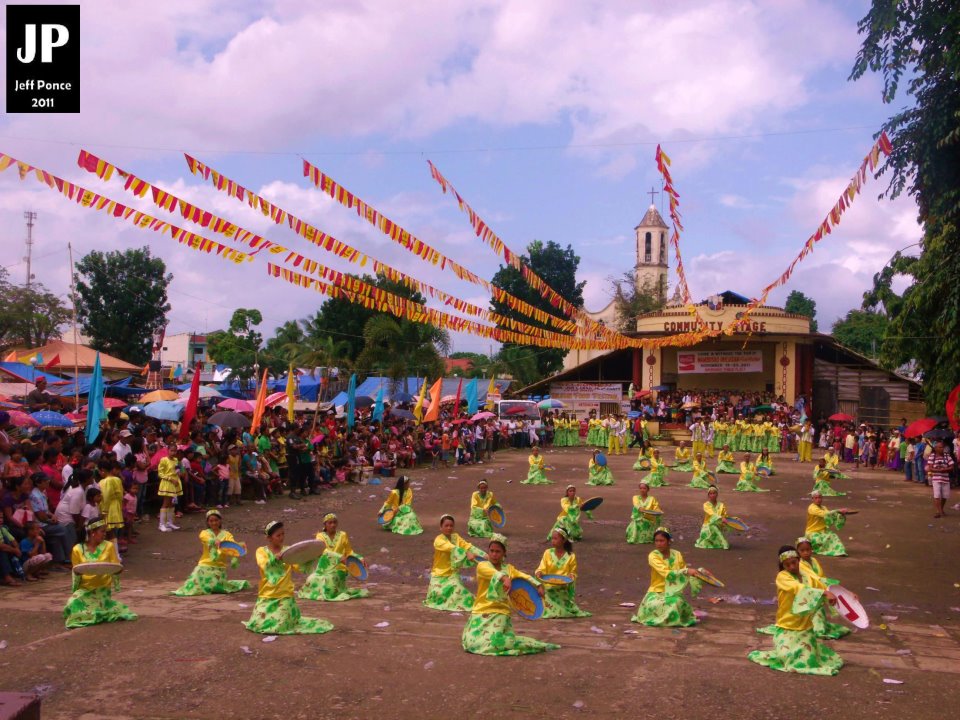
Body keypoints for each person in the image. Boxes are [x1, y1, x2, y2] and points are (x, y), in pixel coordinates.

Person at [747, 546, 843, 675]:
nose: (792, 567)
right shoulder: (782, 577)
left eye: (794, 562)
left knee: (808, 660)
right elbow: (798, 588)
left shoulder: (806, 575)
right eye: (787, 565)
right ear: (783, 566)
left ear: (799, 560)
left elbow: (823, 585)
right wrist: (824, 593)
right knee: (789, 659)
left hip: (805, 626)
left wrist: (845, 595)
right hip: (787, 624)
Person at [461, 533, 559, 656]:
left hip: (501, 612)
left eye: (498, 551)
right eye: (491, 551)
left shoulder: (509, 569)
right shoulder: (483, 566)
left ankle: (532, 645)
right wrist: (504, 578)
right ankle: (516, 643)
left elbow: (524, 576)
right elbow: (493, 573)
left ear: (504, 554)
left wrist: (538, 585)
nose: (494, 554)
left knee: (495, 642)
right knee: (471, 644)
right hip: (481, 611)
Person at [243, 521, 333, 635]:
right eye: (278, 535)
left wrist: (313, 557)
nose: (282, 537)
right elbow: (263, 564)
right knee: (258, 624)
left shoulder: (288, 551)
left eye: (283, 534)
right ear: (269, 538)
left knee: (280, 626)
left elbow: (298, 566)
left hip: (285, 595)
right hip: (267, 594)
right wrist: (275, 559)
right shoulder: (261, 551)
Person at [63, 518, 138, 629]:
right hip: (85, 589)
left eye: (105, 531)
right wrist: (78, 574)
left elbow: (116, 567)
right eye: (102, 531)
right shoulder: (77, 549)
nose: (105, 534)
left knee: (91, 611)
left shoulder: (109, 546)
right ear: (92, 532)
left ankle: (101, 609)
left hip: (102, 589)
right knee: (72, 603)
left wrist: (118, 570)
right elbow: (76, 571)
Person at [172, 509, 250, 596]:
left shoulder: (227, 534)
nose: (214, 523)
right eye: (211, 521)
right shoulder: (204, 533)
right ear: (208, 522)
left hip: (220, 566)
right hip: (205, 563)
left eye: (216, 520)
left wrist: (235, 555)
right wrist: (213, 541)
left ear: (220, 521)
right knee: (196, 577)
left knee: (214, 587)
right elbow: (205, 538)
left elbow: (232, 545)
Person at [631, 528, 699, 627]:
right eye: (656, 541)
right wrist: (686, 571)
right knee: (669, 604)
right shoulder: (653, 556)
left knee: (677, 602)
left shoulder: (677, 554)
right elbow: (666, 573)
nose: (658, 544)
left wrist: (697, 574)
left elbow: (684, 572)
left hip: (673, 591)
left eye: (662, 541)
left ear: (669, 541)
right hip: (656, 591)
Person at [298, 513, 369, 602]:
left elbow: (349, 551)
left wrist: (359, 558)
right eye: (330, 523)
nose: (333, 525)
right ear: (325, 524)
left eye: (335, 522)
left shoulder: (343, 535)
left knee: (330, 580)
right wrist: (339, 557)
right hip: (324, 568)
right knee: (312, 578)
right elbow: (322, 551)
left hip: (340, 567)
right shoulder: (320, 536)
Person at [423, 514, 485, 612]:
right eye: (446, 526)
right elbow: (452, 548)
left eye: (451, 526)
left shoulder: (456, 537)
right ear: (441, 527)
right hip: (439, 575)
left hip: (452, 574)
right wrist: (466, 553)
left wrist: (485, 555)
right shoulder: (438, 540)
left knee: (458, 590)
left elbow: (468, 546)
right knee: (442, 595)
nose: (449, 528)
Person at [796, 537, 850, 640]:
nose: (806, 552)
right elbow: (808, 580)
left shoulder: (814, 561)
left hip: (819, 593)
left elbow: (821, 576)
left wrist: (827, 588)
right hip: (809, 594)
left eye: (808, 550)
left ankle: (815, 624)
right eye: (802, 550)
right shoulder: (799, 564)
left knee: (819, 617)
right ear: (798, 551)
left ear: (811, 549)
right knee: (813, 620)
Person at [536, 527, 590, 618]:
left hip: (563, 587)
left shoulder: (571, 556)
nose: (553, 541)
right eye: (552, 538)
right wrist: (539, 572)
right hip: (548, 587)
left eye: (555, 539)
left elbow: (573, 572)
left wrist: (571, 576)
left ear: (564, 540)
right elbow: (542, 568)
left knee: (562, 610)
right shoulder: (547, 553)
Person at [805, 491, 849, 557]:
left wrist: (840, 514)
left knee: (834, 536)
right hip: (812, 531)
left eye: (819, 497)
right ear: (812, 499)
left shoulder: (824, 507)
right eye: (816, 498)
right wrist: (838, 510)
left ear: (822, 498)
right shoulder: (811, 508)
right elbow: (825, 514)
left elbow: (830, 516)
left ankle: (840, 552)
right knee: (817, 540)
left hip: (823, 530)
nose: (818, 499)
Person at [157, 441, 183, 532]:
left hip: (175, 483)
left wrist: (179, 474)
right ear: (168, 450)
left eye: (175, 451)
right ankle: (161, 524)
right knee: (166, 503)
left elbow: (177, 470)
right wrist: (170, 479)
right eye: (171, 450)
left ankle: (169, 522)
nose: (173, 452)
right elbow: (160, 473)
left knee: (172, 503)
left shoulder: (176, 460)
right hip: (168, 483)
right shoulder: (164, 460)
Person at [926, 440, 955, 518]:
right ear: (936, 448)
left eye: (942, 447)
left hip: (945, 478)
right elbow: (930, 468)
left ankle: (941, 509)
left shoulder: (947, 456)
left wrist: (944, 469)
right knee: (937, 495)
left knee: (945, 496)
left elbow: (952, 466)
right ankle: (938, 511)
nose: (942, 449)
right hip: (936, 478)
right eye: (940, 447)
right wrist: (939, 470)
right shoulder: (932, 456)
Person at [694, 486, 729, 550]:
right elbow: (712, 513)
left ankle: (722, 540)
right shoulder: (706, 505)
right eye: (711, 493)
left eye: (714, 493)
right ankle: (723, 541)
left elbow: (724, 515)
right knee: (712, 526)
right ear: (708, 495)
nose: (712, 495)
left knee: (715, 526)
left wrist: (734, 519)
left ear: (717, 494)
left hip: (718, 525)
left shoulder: (721, 505)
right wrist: (721, 518)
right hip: (707, 525)